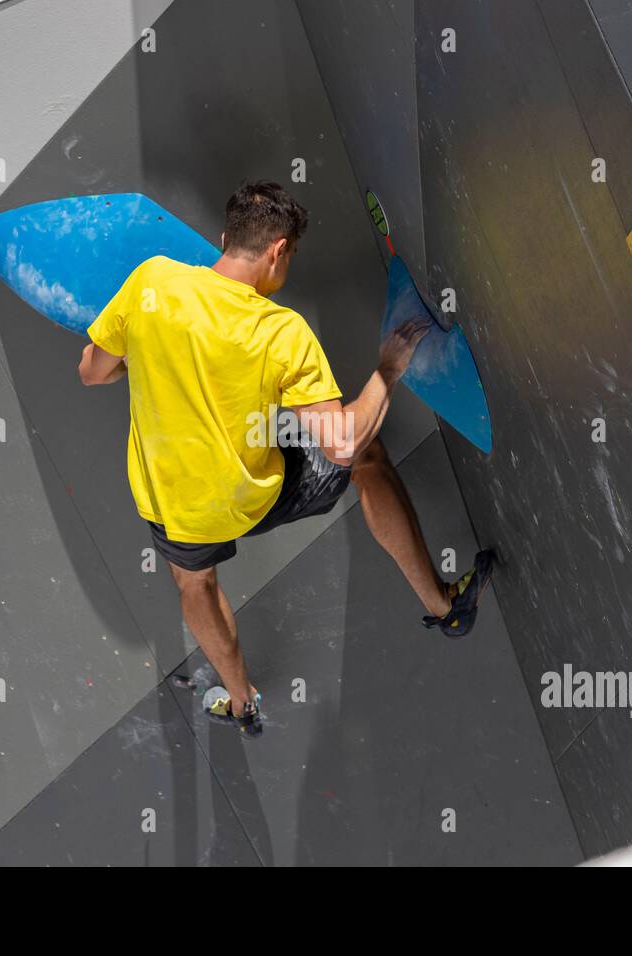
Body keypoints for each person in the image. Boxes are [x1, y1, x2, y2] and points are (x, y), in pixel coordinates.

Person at [78, 181, 493, 736]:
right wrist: (388, 370)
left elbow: (93, 371)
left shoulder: (152, 280)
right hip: (246, 500)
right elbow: (339, 444)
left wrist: (146, 351)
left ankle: (242, 700)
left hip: (166, 500)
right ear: (277, 250)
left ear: (226, 238)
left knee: (195, 585)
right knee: (365, 454)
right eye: (289, 257)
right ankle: (445, 608)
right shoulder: (281, 332)